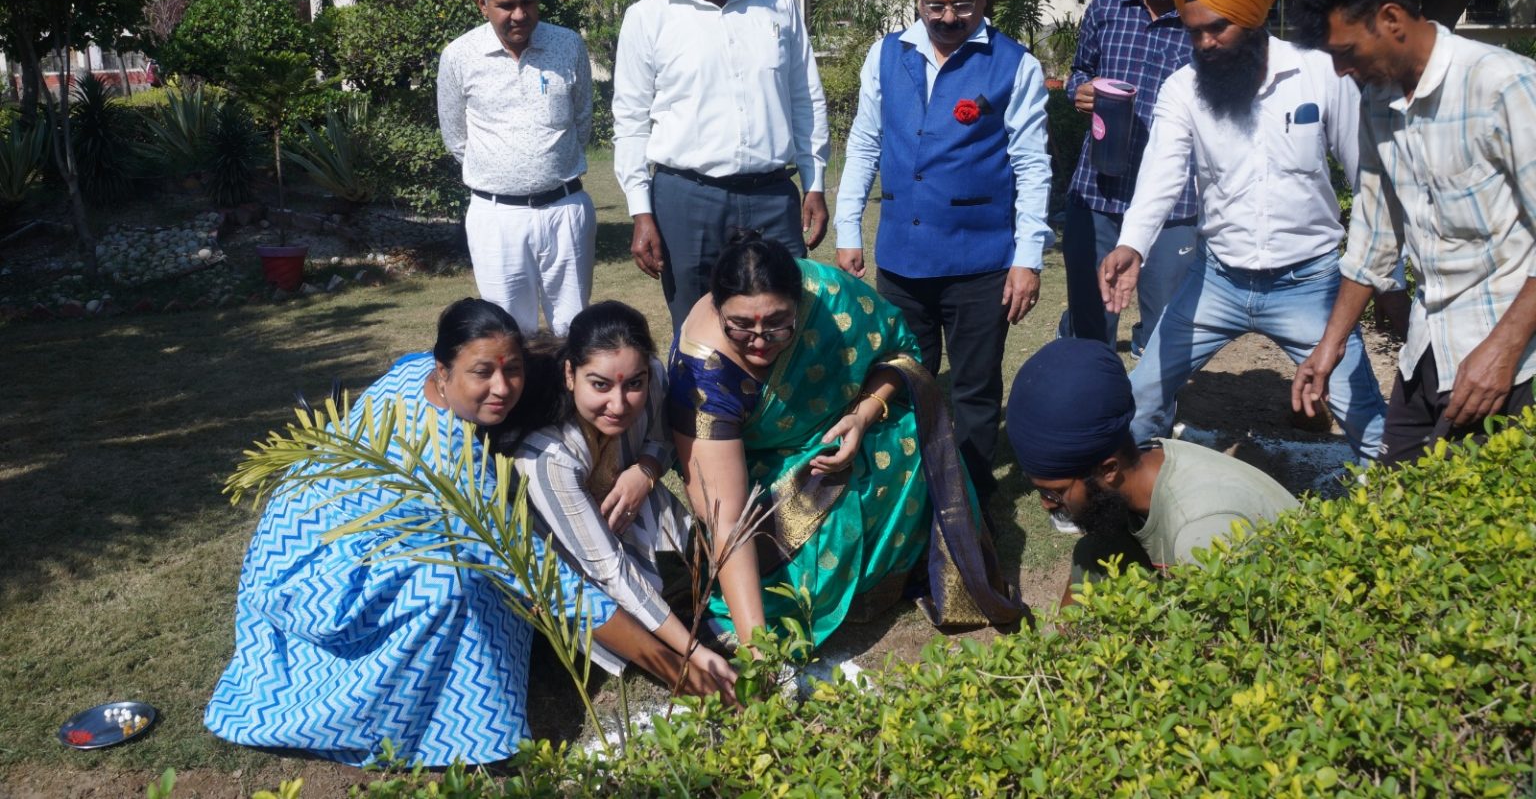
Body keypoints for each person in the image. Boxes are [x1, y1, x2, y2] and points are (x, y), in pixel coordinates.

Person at [204, 299, 732, 767]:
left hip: (316, 535)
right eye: (483, 372)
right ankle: (422, 722)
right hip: (315, 563)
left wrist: (645, 464)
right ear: (443, 369)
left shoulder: (412, 371)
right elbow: (557, 585)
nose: (502, 387)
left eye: (513, 369)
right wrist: (681, 670)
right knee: (466, 588)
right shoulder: (468, 468)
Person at [1098, 0, 1387, 479]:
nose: (1205, 44)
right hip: (1217, 281)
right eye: (1195, 33)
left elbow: (1367, 176)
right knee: (1141, 399)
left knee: (1370, 424)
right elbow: (1161, 176)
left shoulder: (1318, 72)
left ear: (1253, 18)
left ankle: (1398, 525)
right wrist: (1132, 245)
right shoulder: (1183, 89)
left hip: (1310, 284)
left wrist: (1374, 272)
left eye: (1218, 28)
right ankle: (1134, 506)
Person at [668, 233, 1024, 647]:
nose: (760, 341)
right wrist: (756, 646)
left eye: (778, 324)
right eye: (741, 326)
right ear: (717, 307)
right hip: (753, 474)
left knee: (907, 438)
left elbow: (901, 354)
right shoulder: (703, 376)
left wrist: (861, 416)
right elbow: (726, 519)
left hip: (837, 430)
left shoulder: (829, 298)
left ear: (800, 302)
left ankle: (899, 568)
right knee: (801, 577)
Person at [1290, 0, 1536, 467]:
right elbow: (1373, 241)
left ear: (1392, 19)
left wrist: (1504, 350)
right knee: (1391, 502)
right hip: (1428, 348)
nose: (1339, 70)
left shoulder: (1503, 86)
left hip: (1509, 366)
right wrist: (1329, 347)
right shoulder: (1376, 101)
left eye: (1346, 50)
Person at [834, 0, 1053, 503]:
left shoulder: (1014, 65)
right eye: (936, 6)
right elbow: (864, 143)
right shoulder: (886, 55)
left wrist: (1027, 259)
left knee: (976, 391)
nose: (949, 17)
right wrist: (848, 228)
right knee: (902, 380)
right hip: (902, 259)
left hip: (980, 262)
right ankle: (906, 500)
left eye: (962, 4)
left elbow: (1032, 166)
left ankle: (972, 504)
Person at [613, 0, 830, 332]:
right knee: (697, 331)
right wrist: (641, 211)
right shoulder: (648, 17)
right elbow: (631, 122)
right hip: (686, 198)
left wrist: (815, 182)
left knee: (787, 322)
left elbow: (804, 96)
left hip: (773, 195)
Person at [1007, 337, 1298, 607]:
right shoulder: (1143, 472)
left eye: (1054, 492)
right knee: (1092, 554)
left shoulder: (1201, 534)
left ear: (1108, 470)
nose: (1046, 503)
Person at [512, 300, 716, 677]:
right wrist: (696, 654)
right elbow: (607, 569)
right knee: (621, 607)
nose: (619, 405)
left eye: (633, 385)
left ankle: (674, 607)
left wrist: (647, 469)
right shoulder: (548, 456)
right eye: (600, 385)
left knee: (691, 564)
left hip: (620, 520)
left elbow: (665, 435)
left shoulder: (651, 375)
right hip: (567, 554)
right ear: (570, 374)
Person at [1058, 0, 1203, 355]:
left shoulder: (1207, 22)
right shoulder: (1106, 9)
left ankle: (1157, 417)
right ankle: (1089, 413)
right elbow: (1079, 70)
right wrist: (1077, 90)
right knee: (1092, 319)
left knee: (1167, 325)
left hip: (1174, 202)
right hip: (1099, 190)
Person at [438, 0, 595, 335]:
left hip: (565, 209)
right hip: (496, 217)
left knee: (573, 332)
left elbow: (582, 121)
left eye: (528, 1)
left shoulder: (568, 45)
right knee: (506, 335)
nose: (520, 15)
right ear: (482, 4)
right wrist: (505, 174)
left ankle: (565, 397)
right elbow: (456, 137)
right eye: (506, 5)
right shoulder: (459, 56)